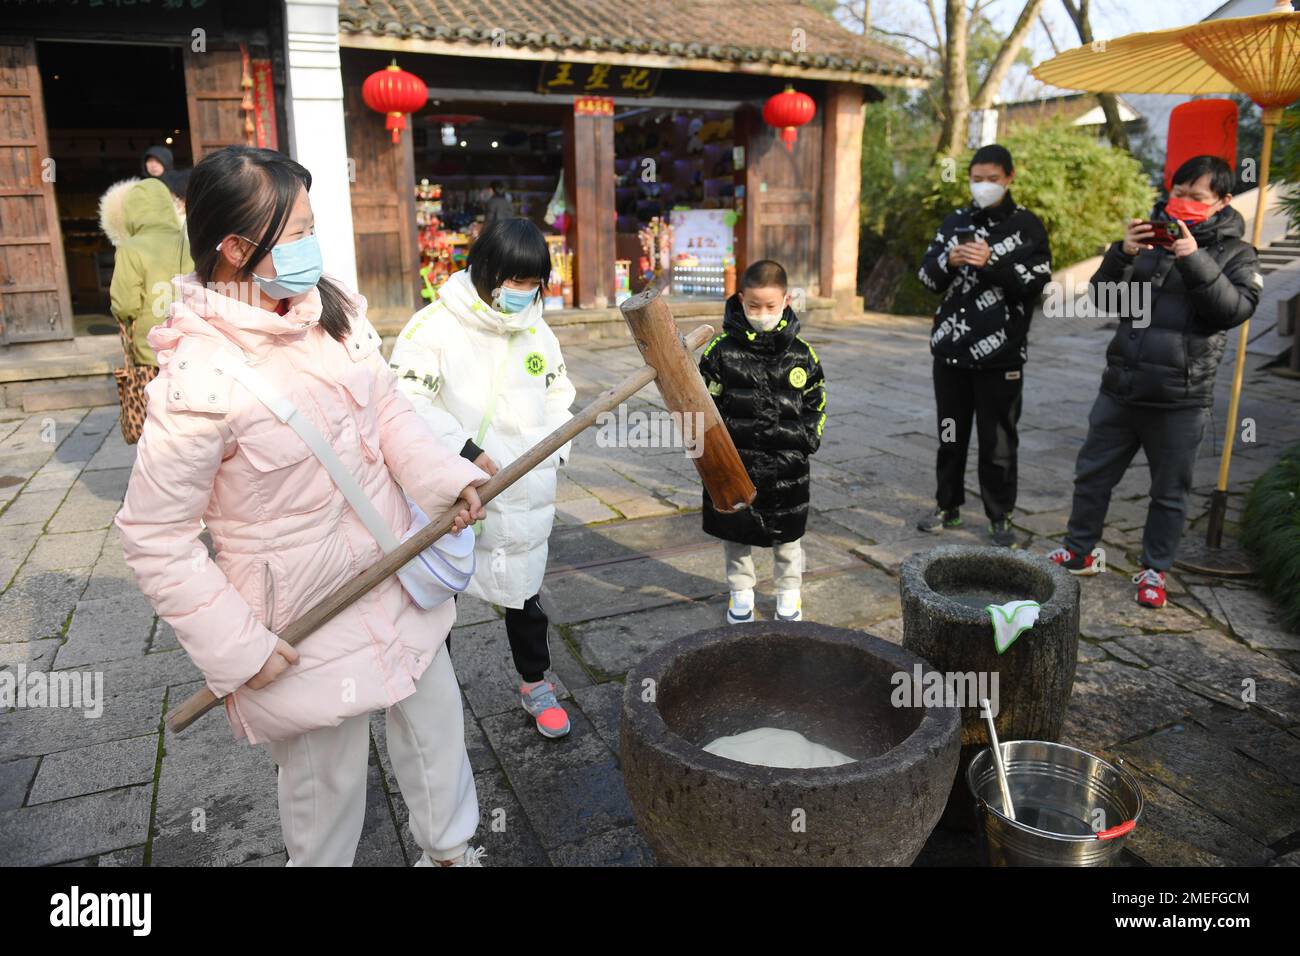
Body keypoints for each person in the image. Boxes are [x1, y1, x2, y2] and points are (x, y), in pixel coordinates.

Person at [115, 145, 491, 867]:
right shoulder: (197, 377)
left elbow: (390, 417)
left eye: (311, 226)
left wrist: (443, 480)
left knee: (437, 728)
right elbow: (154, 537)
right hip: (300, 617)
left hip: (393, 567)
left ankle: (452, 853)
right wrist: (238, 650)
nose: (313, 247)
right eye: (296, 233)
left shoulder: (328, 316)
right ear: (234, 248)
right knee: (325, 787)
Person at [389, 219, 577, 739]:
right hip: (457, 494)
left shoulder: (539, 330)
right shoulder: (434, 327)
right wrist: (463, 453)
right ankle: (435, 698)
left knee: (525, 595)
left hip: (526, 491)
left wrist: (554, 450)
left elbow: (560, 393)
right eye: (510, 279)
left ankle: (535, 683)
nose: (520, 291)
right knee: (438, 599)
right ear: (483, 271)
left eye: (530, 281)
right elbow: (404, 400)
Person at [1048, 155, 1262, 608]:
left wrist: (1194, 259)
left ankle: (1154, 569)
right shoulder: (1147, 244)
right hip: (1121, 386)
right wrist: (1121, 252)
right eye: (1177, 193)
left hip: (1182, 398)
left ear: (1223, 201)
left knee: (1169, 492)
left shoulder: (1238, 254)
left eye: (1195, 197)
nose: (1181, 203)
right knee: (1092, 475)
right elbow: (1104, 301)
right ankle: (1079, 549)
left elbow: (1233, 312)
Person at [916, 143, 1052, 548]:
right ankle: (947, 505)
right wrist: (950, 261)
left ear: (1009, 178)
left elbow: (1037, 283)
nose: (984, 187)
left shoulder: (1027, 226)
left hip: (1002, 355)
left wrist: (992, 263)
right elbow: (926, 277)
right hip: (951, 352)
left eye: (992, 180)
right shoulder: (955, 220)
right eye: (977, 180)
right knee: (950, 433)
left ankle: (1000, 516)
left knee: (998, 442)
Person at [699, 259, 826, 625]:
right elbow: (703, 404)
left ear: (786, 301)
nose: (762, 314)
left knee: (788, 537)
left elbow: (817, 399)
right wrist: (712, 456)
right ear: (740, 300)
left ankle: (789, 591)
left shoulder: (801, 353)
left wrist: (808, 438)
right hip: (736, 463)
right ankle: (740, 590)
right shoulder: (720, 352)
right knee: (736, 533)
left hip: (788, 465)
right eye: (754, 306)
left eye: (771, 306)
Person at [101, 176, 194, 368]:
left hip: (151, 350)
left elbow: (125, 305)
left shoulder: (130, 249)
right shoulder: (188, 244)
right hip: (191, 345)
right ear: (168, 207)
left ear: (130, 212)